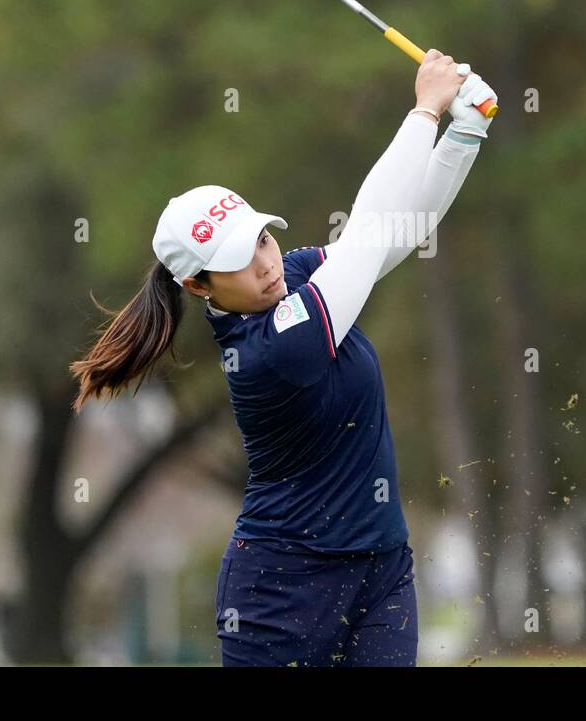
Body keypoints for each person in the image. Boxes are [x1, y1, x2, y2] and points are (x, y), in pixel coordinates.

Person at [70, 49, 497, 665]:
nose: (268, 261)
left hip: (381, 571)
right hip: (282, 593)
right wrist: (423, 112)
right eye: (242, 258)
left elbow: (395, 234)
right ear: (199, 287)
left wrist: (463, 131)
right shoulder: (270, 356)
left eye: (263, 238)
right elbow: (371, 229)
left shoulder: (295, 278)